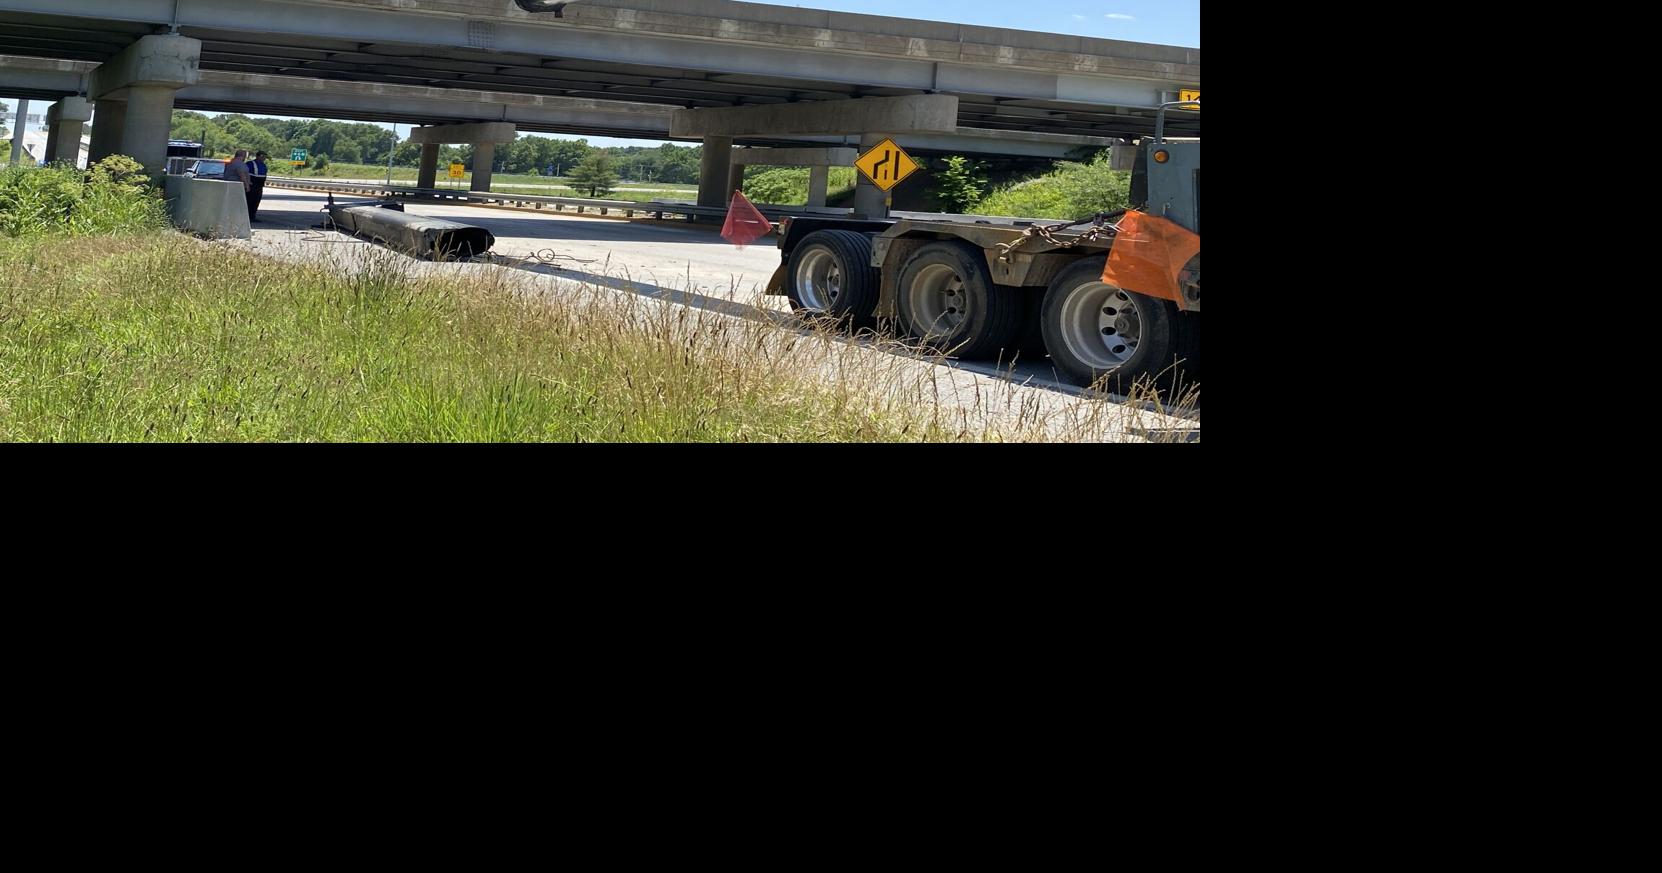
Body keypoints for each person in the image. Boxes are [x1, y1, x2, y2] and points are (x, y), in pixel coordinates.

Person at [224, 149, 253, 220]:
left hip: (230, 185)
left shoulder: (231, 162)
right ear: (243, 156)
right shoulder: (238, 163)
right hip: (236, 186)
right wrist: (247, 185)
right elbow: (242, 175)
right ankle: (235, 218)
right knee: (236, 203)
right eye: (245, 156)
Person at [245, 150, 269, 222]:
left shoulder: (263, 165)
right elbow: (246, 173)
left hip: (259, 185)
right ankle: (247, 216)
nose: (264, 158)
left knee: (256, 201)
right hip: (253, 184)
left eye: (265, 156)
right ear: (258, 156)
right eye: (263, 156)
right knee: (250, 201)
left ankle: (252, 216)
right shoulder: (250, 163)